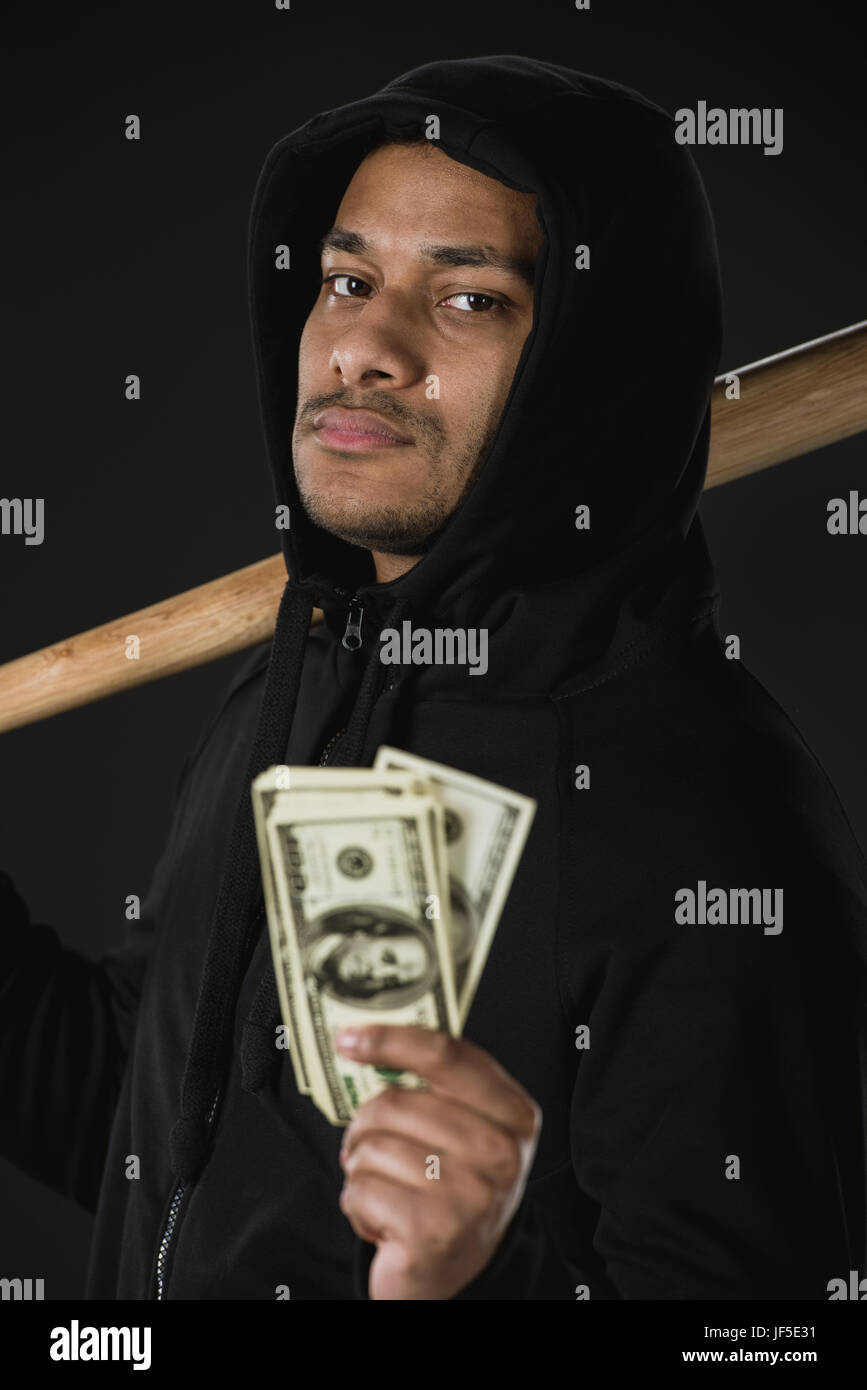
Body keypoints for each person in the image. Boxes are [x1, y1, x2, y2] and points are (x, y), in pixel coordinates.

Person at [1, 54, 865, 1301]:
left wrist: (479, 1280)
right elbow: (148, 1136)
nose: (365, 346)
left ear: (593, 361)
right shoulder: (296, 692)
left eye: (469, 302)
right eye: (348, 280)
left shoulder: (711, 827)